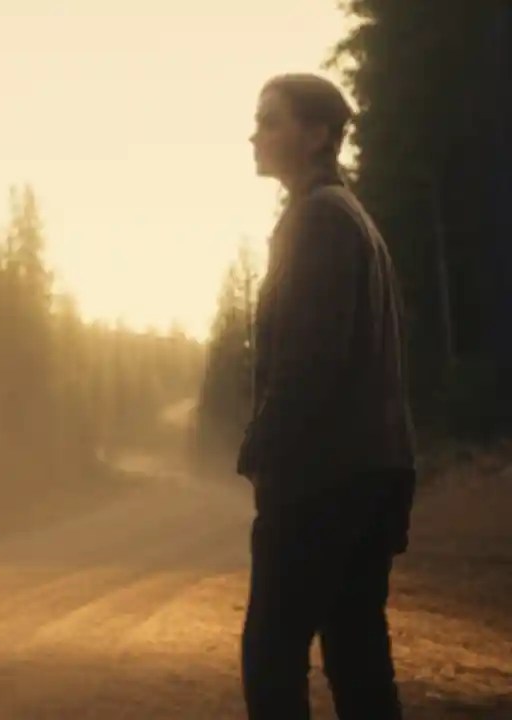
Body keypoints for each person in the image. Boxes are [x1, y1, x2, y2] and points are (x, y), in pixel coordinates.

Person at [237, 72, 417, 719]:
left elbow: (310, 359)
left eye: (270, 120)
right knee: (357, 654)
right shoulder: (350, 217)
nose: (254, 135)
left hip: (322, 477)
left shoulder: (318, 220)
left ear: (316, 135)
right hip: (371, 471)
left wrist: (262, 450)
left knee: (272, 657)